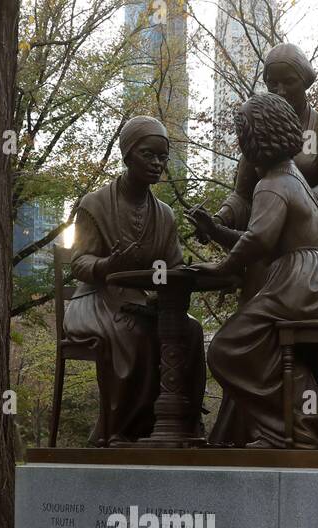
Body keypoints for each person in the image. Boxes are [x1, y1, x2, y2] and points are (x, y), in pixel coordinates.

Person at [193, 42, 318, 446]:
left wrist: (299, 205)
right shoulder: (274, 164)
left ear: (306, 81)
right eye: (272, 82)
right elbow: (243, 201)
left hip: (306, 270)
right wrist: (219, 223)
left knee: (237, 345)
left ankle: (301, 428)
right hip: (290, 268)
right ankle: (279, 427)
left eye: (288, 81)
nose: (280, 88)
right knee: (261, 341)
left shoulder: (308, 142)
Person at [64, 115, 206, 445]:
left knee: (190, 329)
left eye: (162, 156)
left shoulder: (165, 215)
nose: (157, 163)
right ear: (128, 155)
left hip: (141, 301)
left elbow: (173, 267)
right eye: (148, 154)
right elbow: (79, 263)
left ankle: (184, 422)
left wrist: (179, 279)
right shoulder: (94, 205)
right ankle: (122, 428)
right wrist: (107, 264)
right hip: (96, 299)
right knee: (134, 331)